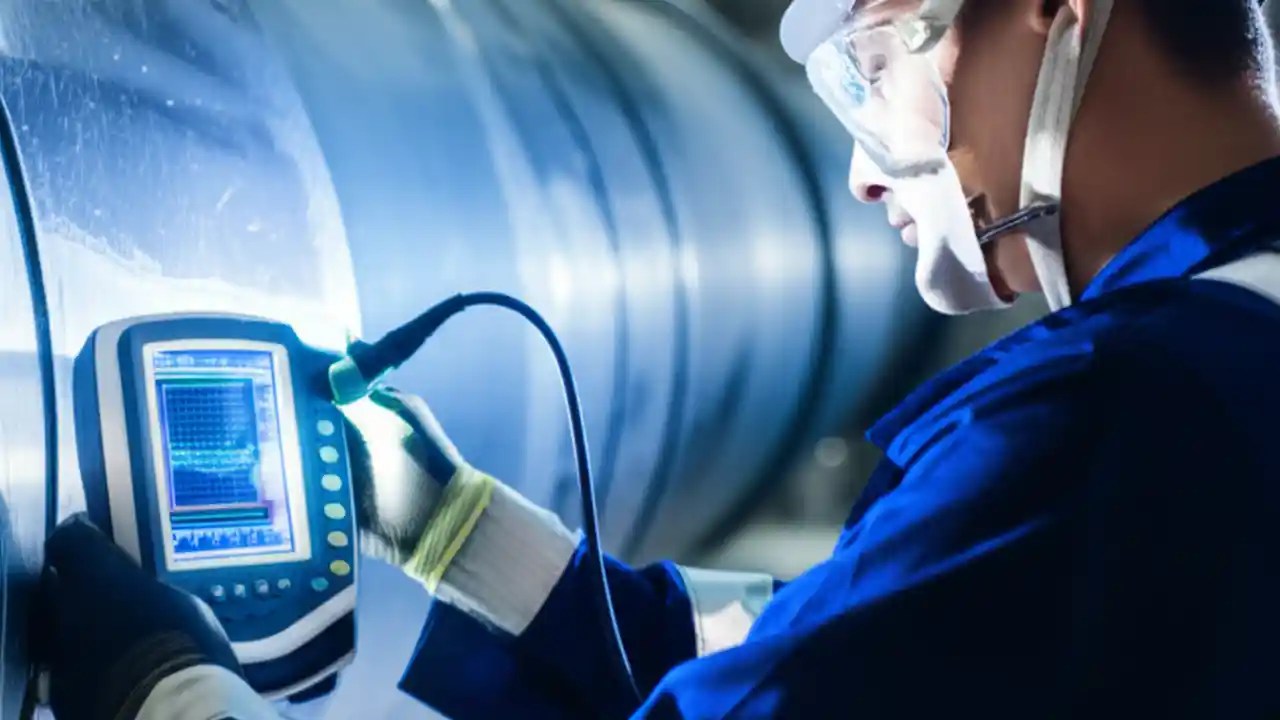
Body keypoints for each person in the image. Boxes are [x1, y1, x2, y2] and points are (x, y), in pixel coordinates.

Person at [43, 0, 1280, 716]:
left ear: (1047, 17)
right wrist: (456, 528)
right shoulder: (1231, 342)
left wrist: (176, 696)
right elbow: (811, 648)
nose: (859, 167)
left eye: (876, 63)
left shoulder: (1111, 420)